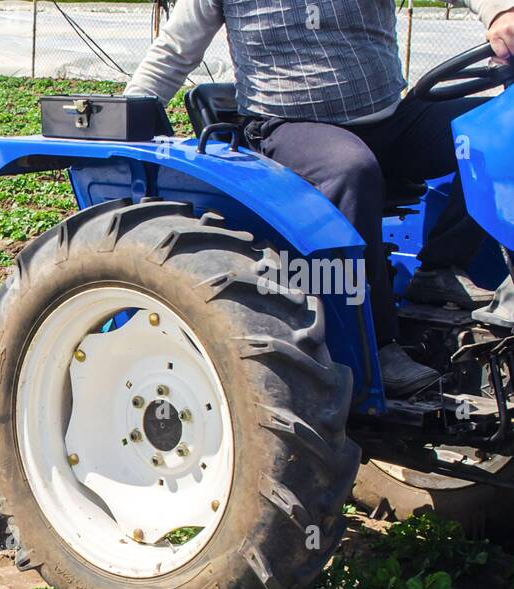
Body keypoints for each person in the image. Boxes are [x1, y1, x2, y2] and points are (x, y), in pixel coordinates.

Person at [124, 0, 514, 397]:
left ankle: (441, 267)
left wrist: (502, 12)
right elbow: (175, 50)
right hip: (288, 126)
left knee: (498, 131)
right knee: (351, 169)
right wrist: (126, 113)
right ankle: (375, 347)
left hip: (392, 117)